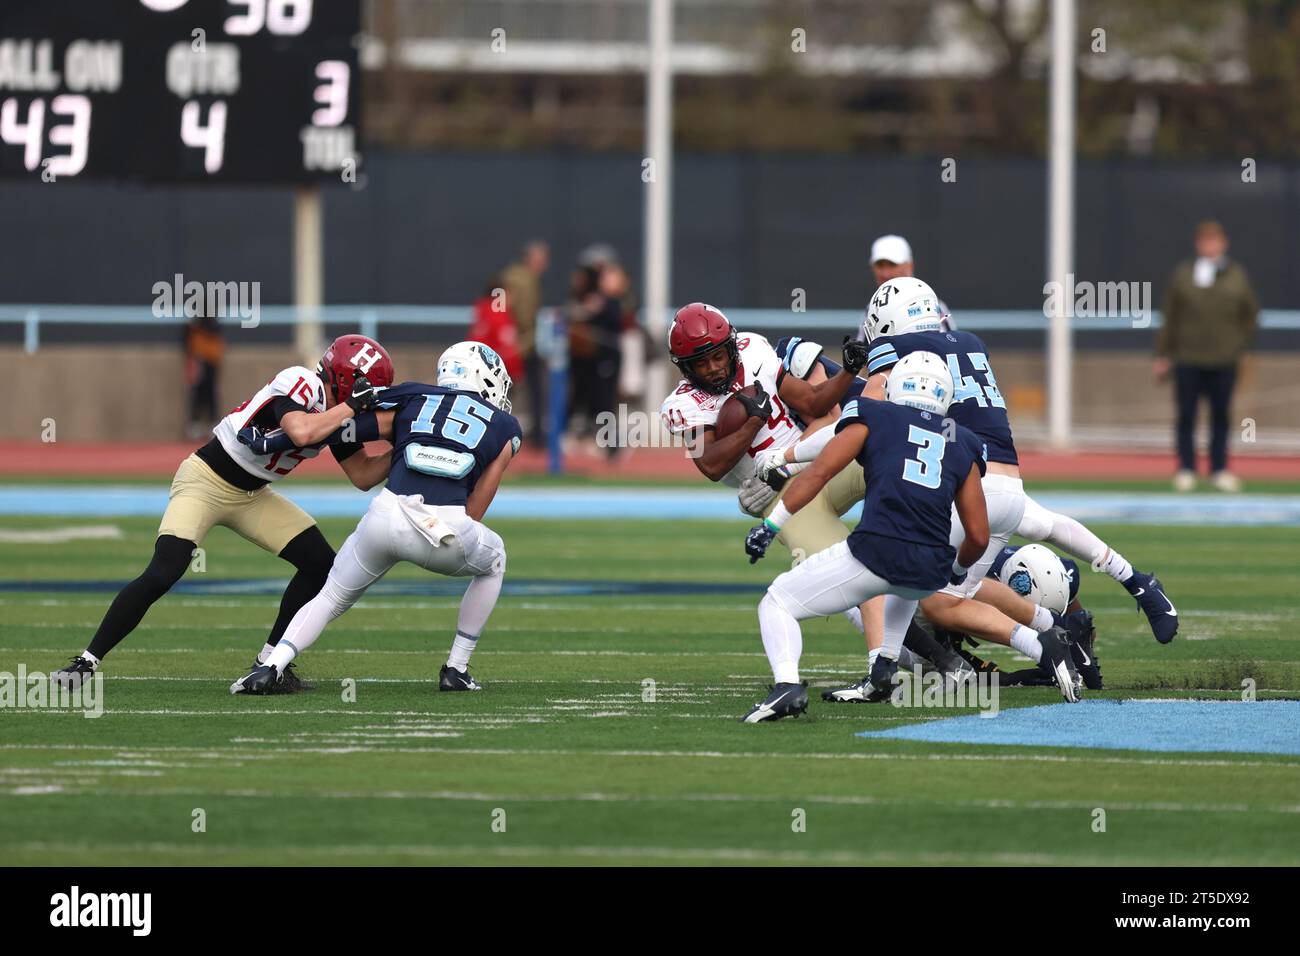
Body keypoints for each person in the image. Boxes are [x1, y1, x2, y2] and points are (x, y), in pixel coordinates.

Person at [741, 352, 1080, 722]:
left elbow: (819, 473)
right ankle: (886, 671)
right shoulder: (962, 440)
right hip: (930, 566)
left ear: (897, 385)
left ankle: (786, 686)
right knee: (904, 588)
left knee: (776, 602)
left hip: (877, 553)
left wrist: (770, 525)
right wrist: (957, 567)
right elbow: (979, 534)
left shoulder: (875, 413)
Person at [53, 335, 396, 691]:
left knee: (321, 564)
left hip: (253, 495)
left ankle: (268, 665)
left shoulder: (341, 413)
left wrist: (404, 448)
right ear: (346, 379)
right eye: (367, 389)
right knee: (164, 571)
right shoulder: (303, 382)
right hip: (206, 480)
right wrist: (350, 409)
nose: (370, 398)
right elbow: (300, 429)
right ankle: (85, 663)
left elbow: (363, 475)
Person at [854, 277, 1180, 646]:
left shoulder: (893, 346)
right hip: (1007, 475)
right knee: (1037, 531)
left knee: (922, 587)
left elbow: (868, 409)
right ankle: (1133, 582)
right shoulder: (971, 342)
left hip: (966, 482)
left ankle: (1037, 645)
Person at [231, 341, 521, 695]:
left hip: (386, 514)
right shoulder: (506, 426)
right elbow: (475, 511)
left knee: (330, 595)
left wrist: (273, 442)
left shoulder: (412, 397)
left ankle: (269, 667)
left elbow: (346, 428)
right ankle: (456, 669)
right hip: (444, 529)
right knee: (495, 560)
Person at [1156, 220, 1259, 493]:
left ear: (1223, 244)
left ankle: (1219, 469)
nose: (1209, 246)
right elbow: (1170, 316)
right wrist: (1163, 353)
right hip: (1188, 357)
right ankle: (1186, 468)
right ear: (1198, 244)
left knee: (1221, 415)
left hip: (1224, 359)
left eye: (1214, 241)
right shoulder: (1184, 274)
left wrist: (1238, 347)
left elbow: (1250, 315)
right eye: (1205, 241)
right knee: (1186, 415)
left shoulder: (1236, 275)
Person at [499, 240, 550, 443]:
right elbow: (525, 314)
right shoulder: (525, 280)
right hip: (522, 342)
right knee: (530, 388)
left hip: (513, 340)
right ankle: (537, 436)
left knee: (504, 388)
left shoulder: (509, 275)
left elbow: (499, 306)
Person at [183, 314, 224, 439]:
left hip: (211, 363)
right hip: (199, 361)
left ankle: (212, 423)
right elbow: (188, 343)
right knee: (197, 394)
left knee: (211, 393)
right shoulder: (193, 327)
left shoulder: (214, 325)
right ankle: (195, 424)